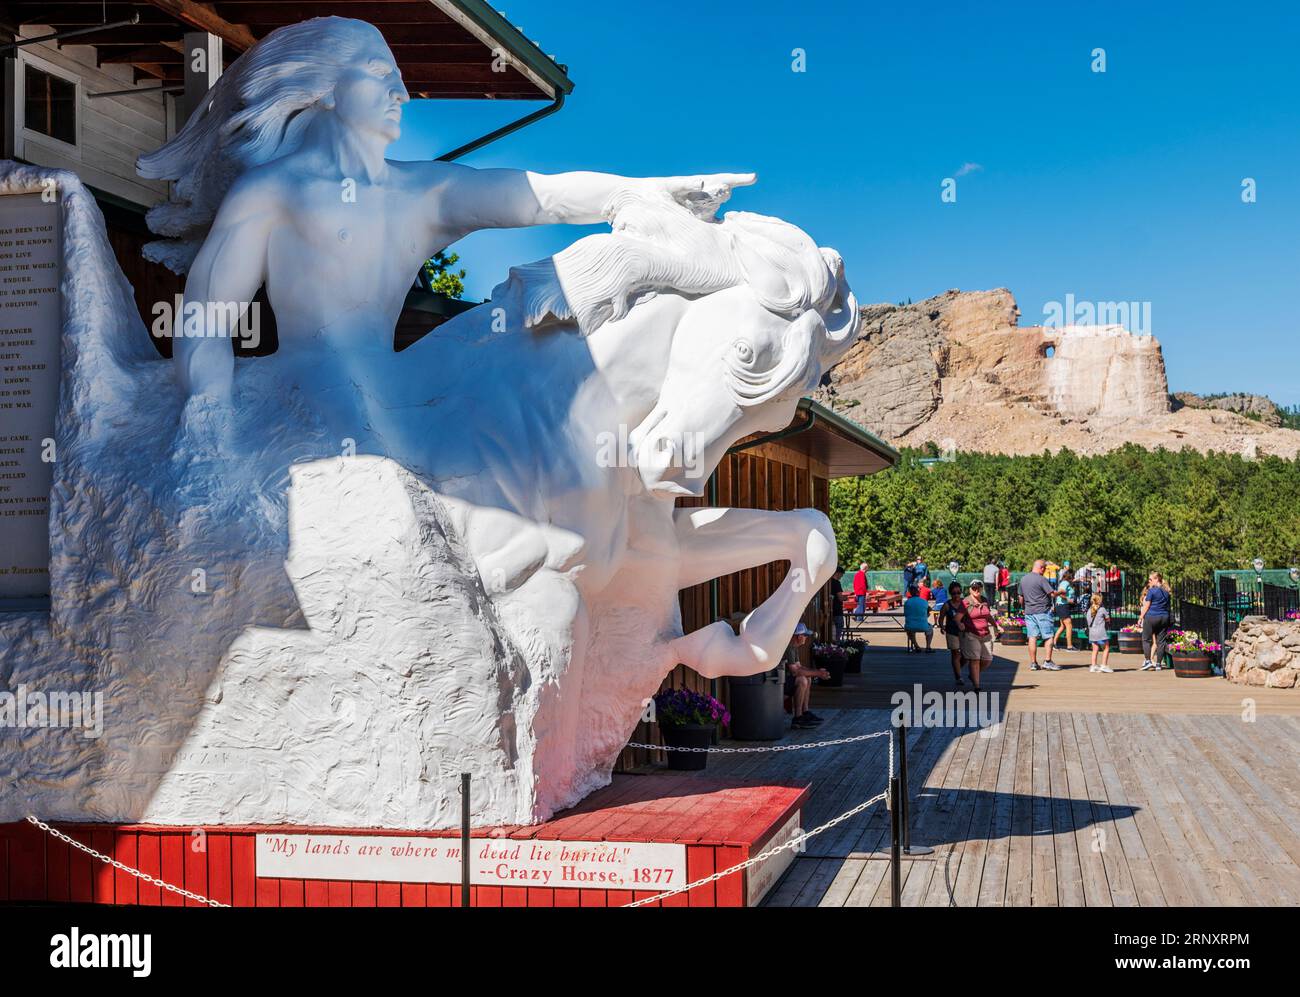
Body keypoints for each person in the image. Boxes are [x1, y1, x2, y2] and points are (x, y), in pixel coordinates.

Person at [783, 622, 829, 728]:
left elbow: (799, 667)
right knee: (802, 680)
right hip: (777, 683)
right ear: (799, 636)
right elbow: (795, 671)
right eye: (805, 635)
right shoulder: (789, 647)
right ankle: (798, 717)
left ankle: (805, 712)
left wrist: (816, 672)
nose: (806, 638)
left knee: (807, 678)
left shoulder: (793, 646)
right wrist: (818, 673)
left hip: (784, 680)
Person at [1018, 559, 1061, 671]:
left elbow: (1021, 598)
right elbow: (1052, 594)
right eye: (1045, 569)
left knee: (1032, 637)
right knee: (1049, 636)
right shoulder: (1041, 579)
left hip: (1029, 612)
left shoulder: (1023, 579)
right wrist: (1060, 592)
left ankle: (1033, 663)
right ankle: (1047, 661)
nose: (1045, 571)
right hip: (1043, 612)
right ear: (1041, 568)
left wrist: (1024, 608)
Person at [958, 581, 999, 692]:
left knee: (987, 659)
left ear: (982, 589)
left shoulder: (985, 600)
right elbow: (957, 618)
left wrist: (996, 626)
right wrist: (960, 624)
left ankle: (973, 674)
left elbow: (988, 616)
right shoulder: (966, 602)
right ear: (970, 589)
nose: (976, 590)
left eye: (979, 588)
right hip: (971, 634)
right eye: (974, 588)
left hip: (985, 634)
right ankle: (977, 685)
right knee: (975, 660)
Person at [1137, 571, 1173, 672]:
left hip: (1152, 617)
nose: (1149, 581)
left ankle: (1148, 661)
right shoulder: (1166, 592)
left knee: (1146, 639)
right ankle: (1158, 664)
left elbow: (1146, 606)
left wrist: (1140, 617)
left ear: (1157, 579)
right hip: (1164, 617)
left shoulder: (1152, 591)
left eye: (1150, 579)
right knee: (1161, 642)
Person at [937, 581, 966, 686]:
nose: (956, 595)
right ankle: (958, 677)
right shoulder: (947, 605)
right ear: (950, 594)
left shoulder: (965, 603)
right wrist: (942, 627)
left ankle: (957, 667)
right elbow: (941, 617)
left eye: (958, 592)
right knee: (955, 654)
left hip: (964, 632)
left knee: (966, 655)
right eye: (954, 593)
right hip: (951, 632)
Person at [1085, 593, 1113, 673]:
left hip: (1092, 633)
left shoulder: (1089, 610)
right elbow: (1108, 619)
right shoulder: (1102, 609)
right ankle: (1104, 665)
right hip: (1100, 632)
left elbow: (1088, 621)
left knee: (1095, 649)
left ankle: (1093, 666)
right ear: (1100, 600)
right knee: (1106, 648)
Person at [903, 585, 934, 653]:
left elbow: (905, 614)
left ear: (910, 593)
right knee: (930, 629)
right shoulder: (924, 602)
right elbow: (928, 611)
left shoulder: (907, 602)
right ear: (918, 593)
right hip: (923, 626)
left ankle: (916, 646)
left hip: (910, 626)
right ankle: (928, 647)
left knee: (909, 630)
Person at [1052, 568, 1077, 652]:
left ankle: (1054, 643)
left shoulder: (1065, 582)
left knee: (1062, 626)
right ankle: (1069, 646)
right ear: (1070, 576)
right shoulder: (1065, 582)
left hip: (1062, 606)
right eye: (1073, 576)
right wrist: (1068, 599)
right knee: (1069, 625)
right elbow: (1061, 592)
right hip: (1062, 606)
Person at [830, 568, 845, 641]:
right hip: (837, 609)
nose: (841, 577)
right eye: (841, 575)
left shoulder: (828, 582)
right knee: (839, 627)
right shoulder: (836, 583)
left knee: (831, 628)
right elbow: (840, 597)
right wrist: (846, 598)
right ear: (838, 573)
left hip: (831, 609)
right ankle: (837, 643)